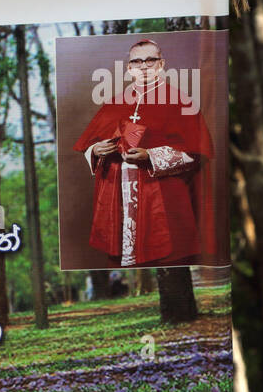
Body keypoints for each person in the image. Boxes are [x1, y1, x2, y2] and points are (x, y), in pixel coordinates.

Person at [73, 39, 216, 267]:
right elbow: (89, 145)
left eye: (151, 60)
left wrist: (150, 156)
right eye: (137, 62)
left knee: (169, 259)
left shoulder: (180, 100)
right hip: (119, 199)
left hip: (163, 198)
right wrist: (95, 150)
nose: (144, 66)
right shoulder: (114, 103)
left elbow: (196, 154)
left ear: (161, 64)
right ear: (129, 68)